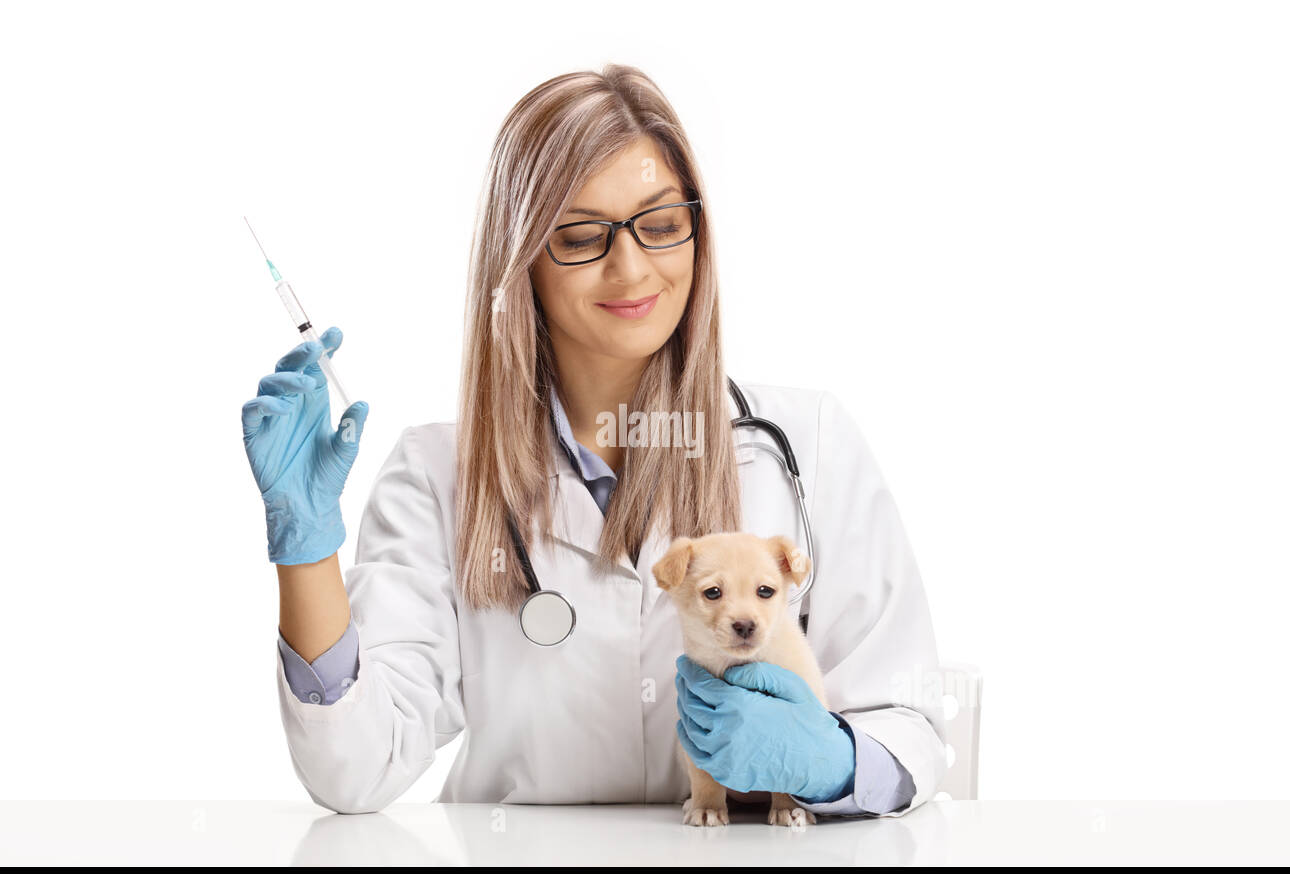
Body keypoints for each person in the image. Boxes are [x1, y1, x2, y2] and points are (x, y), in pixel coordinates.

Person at [241, 64, 947, 818]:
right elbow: (355, 771)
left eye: (663, 223)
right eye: (580, 235)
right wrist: (305, 547)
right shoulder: (436, 476)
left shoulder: (809, 444)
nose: (631, 265)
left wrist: (831, 763)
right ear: (521, 264)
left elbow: (911, 733)